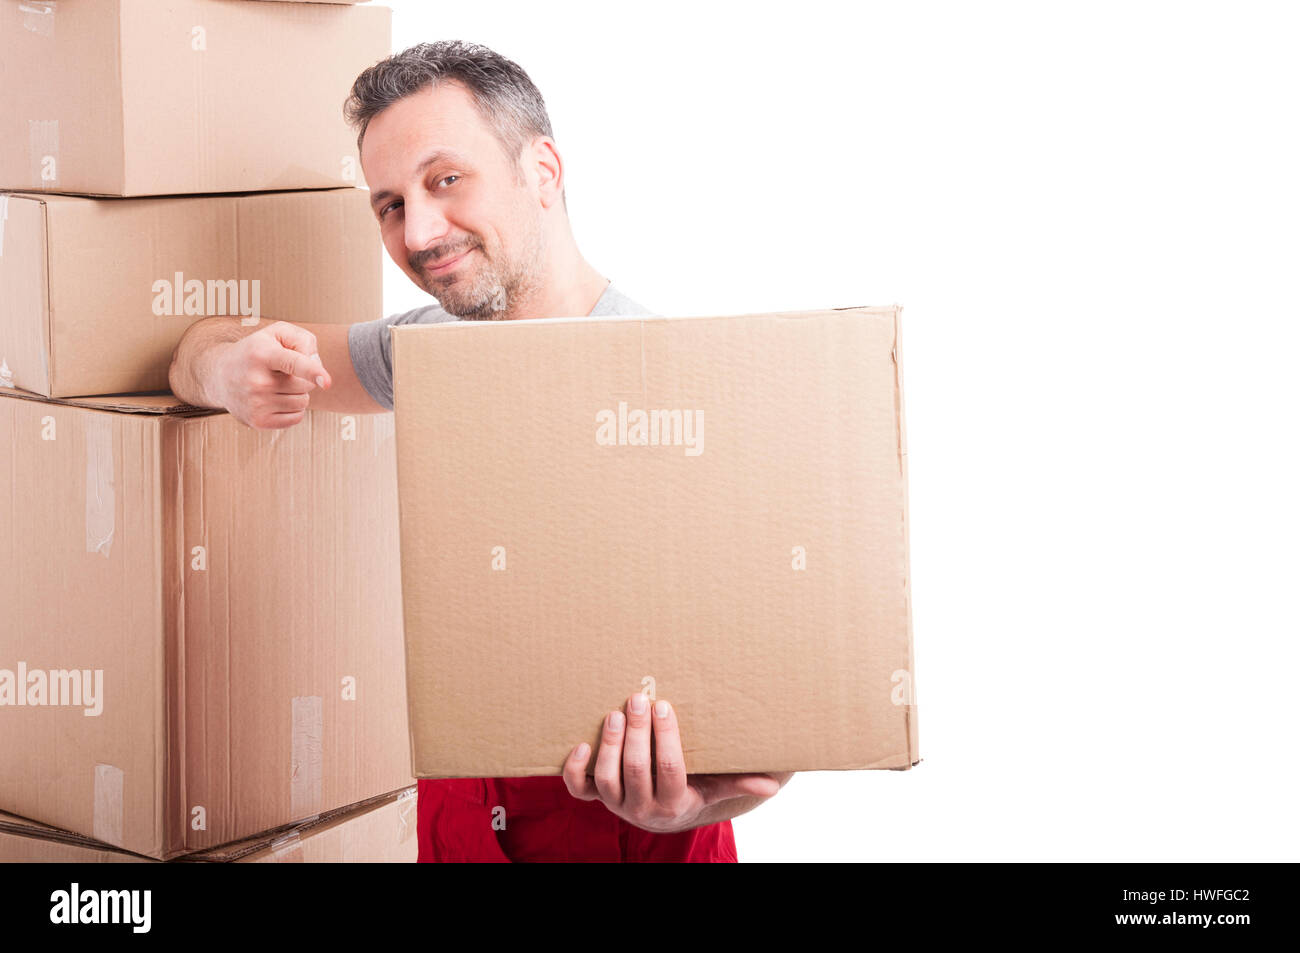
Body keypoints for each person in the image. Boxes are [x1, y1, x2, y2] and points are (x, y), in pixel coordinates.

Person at [168, 39, 792, 862]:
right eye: (389, 204)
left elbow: (778, 697)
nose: (419, 231)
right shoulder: (420, 353)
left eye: (445, 179)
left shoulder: (680, 389)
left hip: (626, 827)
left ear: (543, 170)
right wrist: (224, 367)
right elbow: (196, 349)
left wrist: (700, 801)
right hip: (457, 805)